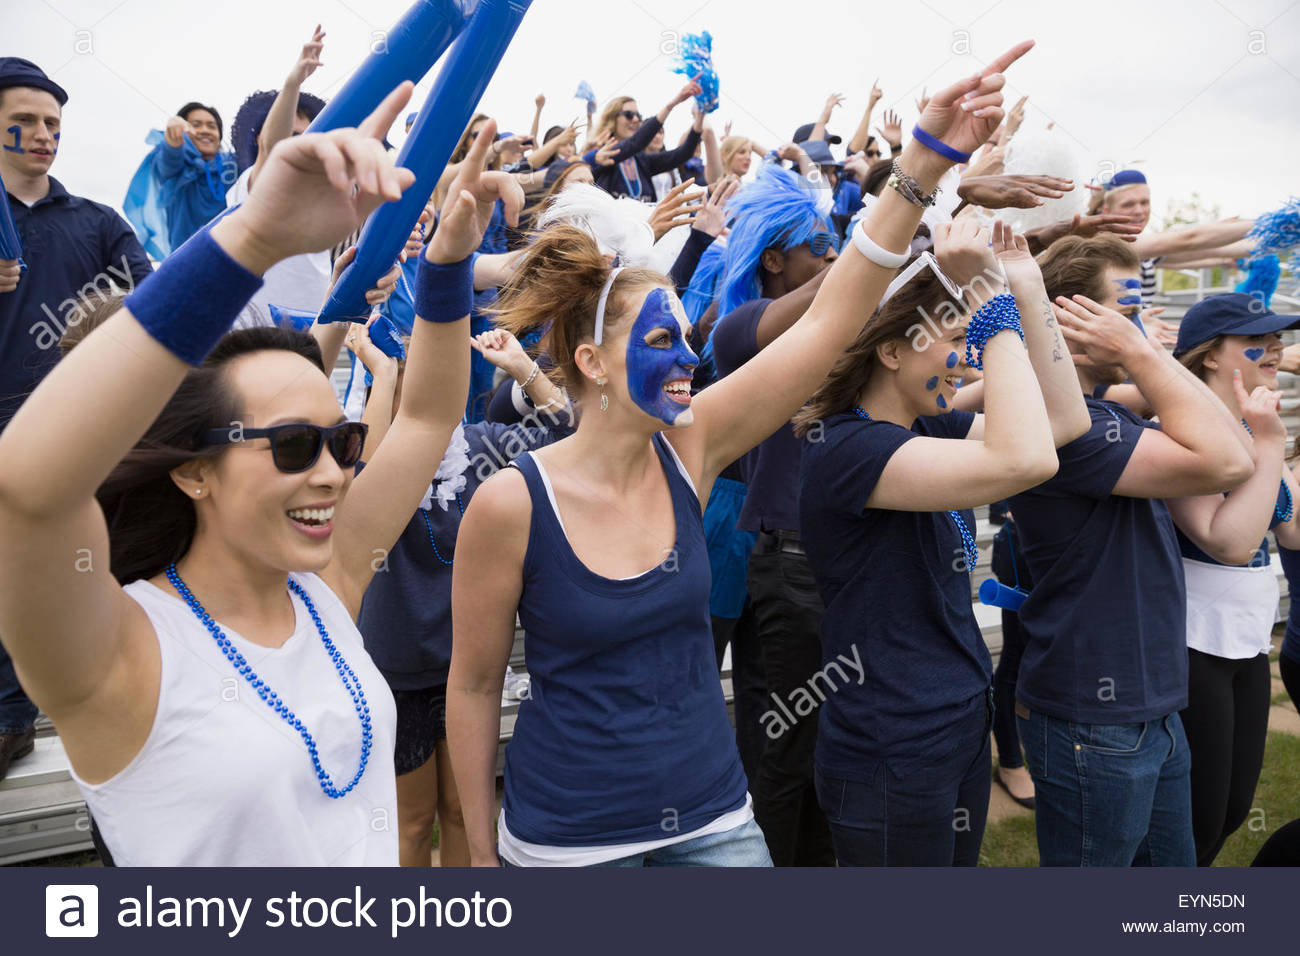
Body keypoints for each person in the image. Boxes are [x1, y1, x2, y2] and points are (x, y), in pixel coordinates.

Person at [445, 41, 1035, 868]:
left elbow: (833, 319)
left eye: (686, 338)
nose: (688, 358)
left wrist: (923, 162)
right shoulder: (511, 502)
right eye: (661, 340)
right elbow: (472, 687)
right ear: (589, 364)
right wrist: (478, 853)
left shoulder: (692, 447)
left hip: (716, 825)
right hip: (564, 843)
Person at [0, 84, 515, 864]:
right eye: (290, 445)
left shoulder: (328, 582)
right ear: (193, 472)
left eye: (341, 443)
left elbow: (423, 418)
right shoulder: (119, 650)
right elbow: (29, 494)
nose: (336, 475)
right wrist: (257, 236)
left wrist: (446, 267)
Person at [792, 219, 1088, 866]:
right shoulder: (847, 450)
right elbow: (1026, 460)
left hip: (953, 723)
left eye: (970, 338)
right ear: (893, 350)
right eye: (955, 339)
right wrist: (986, 301)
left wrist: (1025, 286)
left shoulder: (932, 423)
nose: (971, 354)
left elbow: (1065, 421)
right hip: (891, 746)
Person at [1009, 237, 1256, 866]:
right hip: (1094, 718)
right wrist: (1143, 353)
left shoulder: (1106, 412)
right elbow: (1229, 459)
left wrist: (1143, 353)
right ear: (1069, 318)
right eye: (1127, 312)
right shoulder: (1071, 427)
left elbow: (1231, 439)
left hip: (1151, 710)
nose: (1139, 328)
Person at [352, 322, 571, 867]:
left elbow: (572, 436)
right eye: (407, 383)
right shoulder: (373, 454)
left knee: (461, 811)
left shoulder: (479, 446)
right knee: (412, 822)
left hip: (463, 671)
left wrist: (524, 368)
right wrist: (382, 375)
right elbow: (362, 474)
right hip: (394, 670)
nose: (426, 391)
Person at [0, 57, 153, 780]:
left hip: (83, 431)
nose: (42, 136)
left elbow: (153, 299)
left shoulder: (95, 222)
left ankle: (124, 708)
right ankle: (9, 719)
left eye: (53, 124)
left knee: (99, 564)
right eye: (24, 122)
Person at [704, 163, 841, 866]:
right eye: (820, 245)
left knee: (807, 747)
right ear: (774, 259)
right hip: (789, 566)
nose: (834, 256)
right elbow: (844, 290)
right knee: (787, 754)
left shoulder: (832, 336)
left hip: (825, 562)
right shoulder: (740, 332)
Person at [1164, 292, 1300, 866]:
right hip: (1194, 637)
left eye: (1277, 337)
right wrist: (1269, 447)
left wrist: (1271, 443)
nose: (1274, 346)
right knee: (1197, 816)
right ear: (1211, 356)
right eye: (1256, 338)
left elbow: (1292, 534)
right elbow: (1227, 539)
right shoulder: (1177, 429)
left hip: (1247, 637)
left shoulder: (1256, 423)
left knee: (1234, 808)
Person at [225, 26, 330, 330]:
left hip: (311, 338)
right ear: (259, 138)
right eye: (292, 135)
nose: (299, 144)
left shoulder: (324, 195)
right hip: (252, 336)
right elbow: (273, 151)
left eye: (308, 136)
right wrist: (293, 82)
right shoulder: (252, 182)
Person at [1087, 170, 1255, 304]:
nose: (1139, 211)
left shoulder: (1142, 250)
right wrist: (1270, 224)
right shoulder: (1106, 245)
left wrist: (1233, 257)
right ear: (1105, 210)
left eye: (1144, 203)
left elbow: (1196, 253)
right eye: (1128, 204)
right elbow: (1188, 239)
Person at [123, 96, 239, 259]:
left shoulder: (235, 164)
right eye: (196, 125)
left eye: (211, 126)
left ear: (219, 134)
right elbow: (168, 163)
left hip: (235, 259)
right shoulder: (176, 163)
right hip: (185, 261)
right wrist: (172, 142)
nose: (205, 130)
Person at [582, 80, 704, 201]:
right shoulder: (601, 155)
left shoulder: (640, 160)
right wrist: (672, 104)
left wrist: (701, 115)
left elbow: (683, 153)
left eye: (638, 115)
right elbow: (636, 142)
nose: (635, 119)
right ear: (612, 119)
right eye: (628, 114)